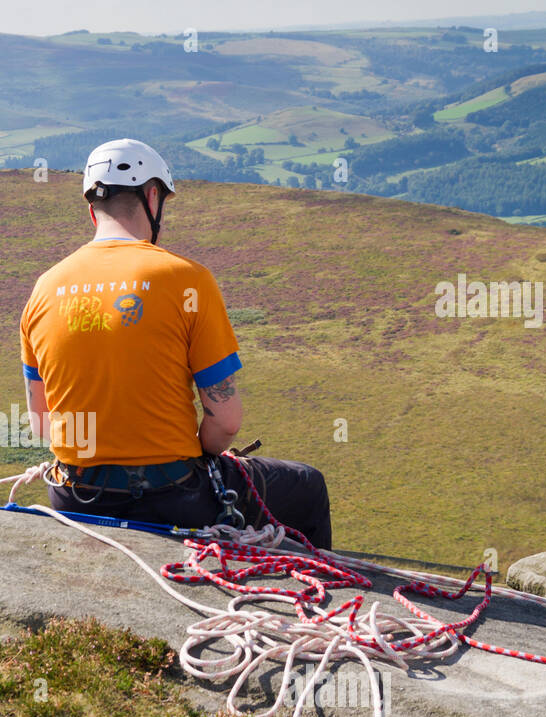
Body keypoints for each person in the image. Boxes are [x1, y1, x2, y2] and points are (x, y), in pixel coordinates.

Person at [17, 138, 333, 549]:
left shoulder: (44, 288)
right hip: (173, 498)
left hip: (75, 495)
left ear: (91, 206)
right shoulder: (186, 279)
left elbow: (42, 421)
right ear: (152, 196)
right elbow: (226, 421)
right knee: (307, 485)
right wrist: (197, 454)